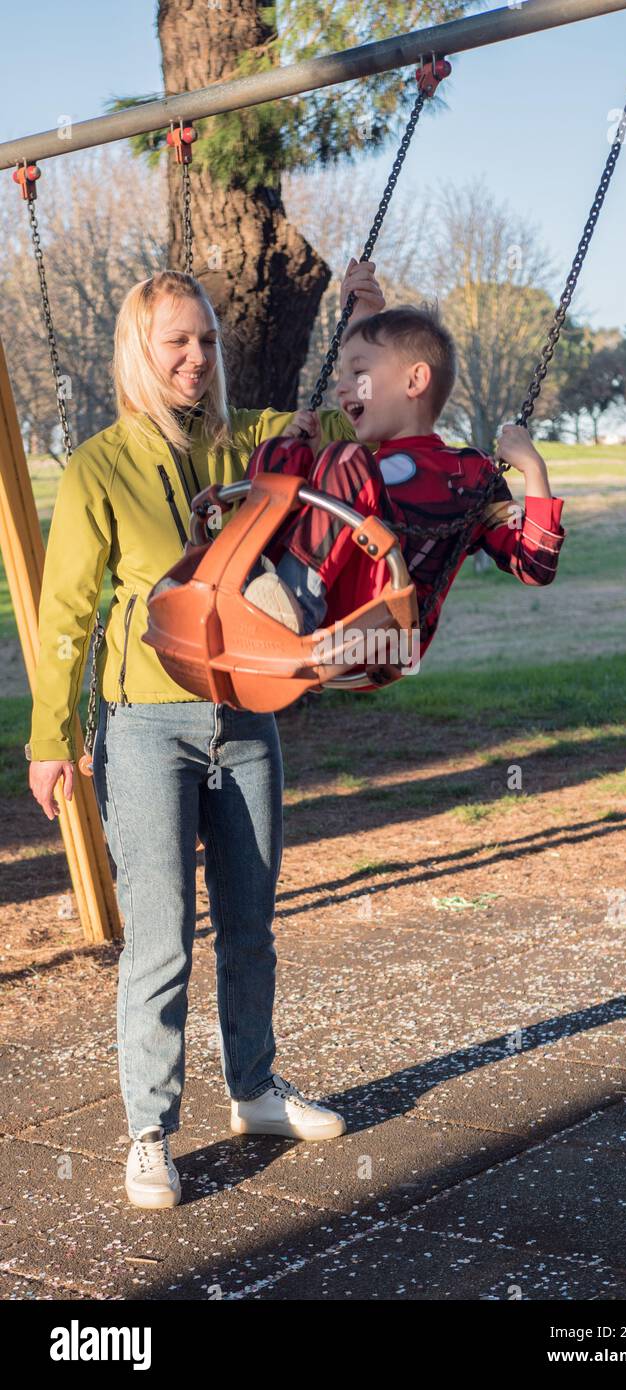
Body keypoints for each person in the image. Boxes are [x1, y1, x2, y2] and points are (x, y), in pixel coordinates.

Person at [26, 261, 383, 1210]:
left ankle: (255, 1090)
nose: (196, 358)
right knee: (161, 937)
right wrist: (51, 737)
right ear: (141, 353)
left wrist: (367, 320)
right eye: (176, 342)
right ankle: (149, 1128)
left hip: (248, 709)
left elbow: (360, 421)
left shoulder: (258, 442)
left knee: (251, 920)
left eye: (208, 341)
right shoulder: (102, 465)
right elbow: (65, 612)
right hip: (146, 722)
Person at [240, 303, 567, 672]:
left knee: (344, 457)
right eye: (340, 378)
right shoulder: (360, 469)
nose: (342, 387)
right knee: (282, 453)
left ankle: (290, 609)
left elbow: (536, 566)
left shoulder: (468, 474)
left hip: (382, 632)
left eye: (358, 373)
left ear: (414, 381)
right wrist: (310, 466)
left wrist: (533, 469)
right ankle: (235, 580)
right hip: (336, 603)